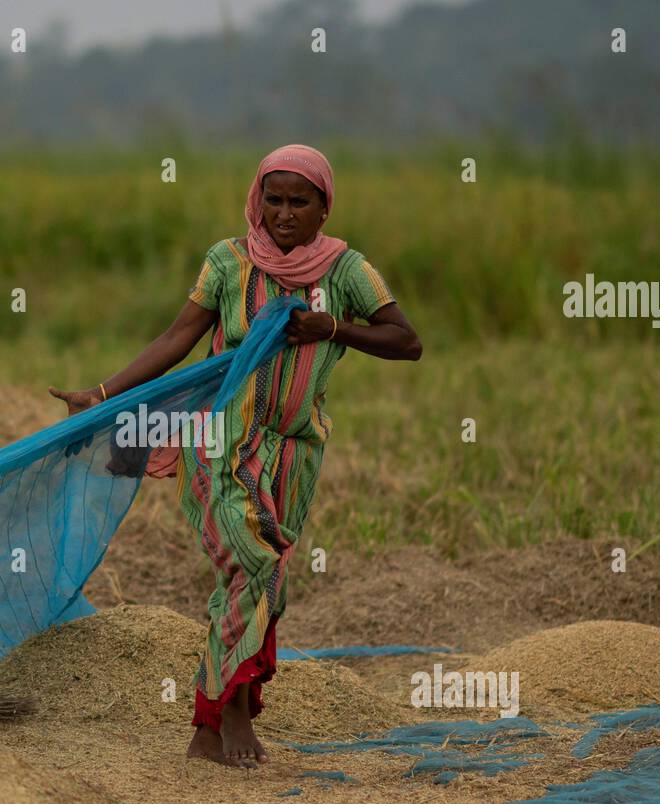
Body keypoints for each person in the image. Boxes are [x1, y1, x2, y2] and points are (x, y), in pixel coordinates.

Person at [50, 144, 421, 768]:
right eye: (272, 199)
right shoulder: (227, 262)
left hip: (295, 454)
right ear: (258, 199)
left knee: (263, 577)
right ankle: (226, 715)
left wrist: (332, 329)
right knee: (251, 561)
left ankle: (216, 721)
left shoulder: (346, 272)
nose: (283, 214)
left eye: (299, 202)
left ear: (324, 207)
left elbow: (406, 341)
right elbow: (177, 338)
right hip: (217, 443)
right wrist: (104, 394)